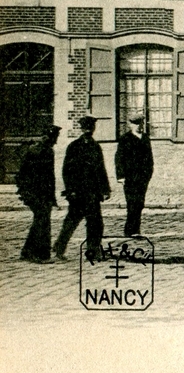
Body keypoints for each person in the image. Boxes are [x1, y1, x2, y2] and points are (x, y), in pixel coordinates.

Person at [54, 116, 110, 261]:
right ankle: (59, 247)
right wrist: (70, 189)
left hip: (92, 193)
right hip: (78, 193)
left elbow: (101, 169)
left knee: (95, 223)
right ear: (82, 129)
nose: (88, 131)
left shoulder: (95, 146)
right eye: (86, 128)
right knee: (71, 221)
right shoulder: (74, 146)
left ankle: (93, 251)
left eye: (90, 128)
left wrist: (105, 189)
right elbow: (67, 170)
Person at [18, 125, 60, 262]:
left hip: (36, 192)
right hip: (37, 193)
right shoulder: (44, 151)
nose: (56, 141)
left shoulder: (40, 149)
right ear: (50, 138)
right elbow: (45, 176)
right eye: (55, 138)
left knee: (39, 221)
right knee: (43, 222)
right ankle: (40, 255)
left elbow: (49, 177)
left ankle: (27, 252)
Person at [115, 111, 155, 237]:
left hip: (142, 177)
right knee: (131, 203)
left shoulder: (145, 138)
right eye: (135, 123)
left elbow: (149, 158)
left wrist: (148, 173)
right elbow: (119, 159)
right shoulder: (125, 139)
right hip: (130, 177)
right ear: (130, 125)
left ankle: (136, 229)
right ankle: (129, 230)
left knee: (139, 203)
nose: (138, 126)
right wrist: (121, 176)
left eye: (140, 123)